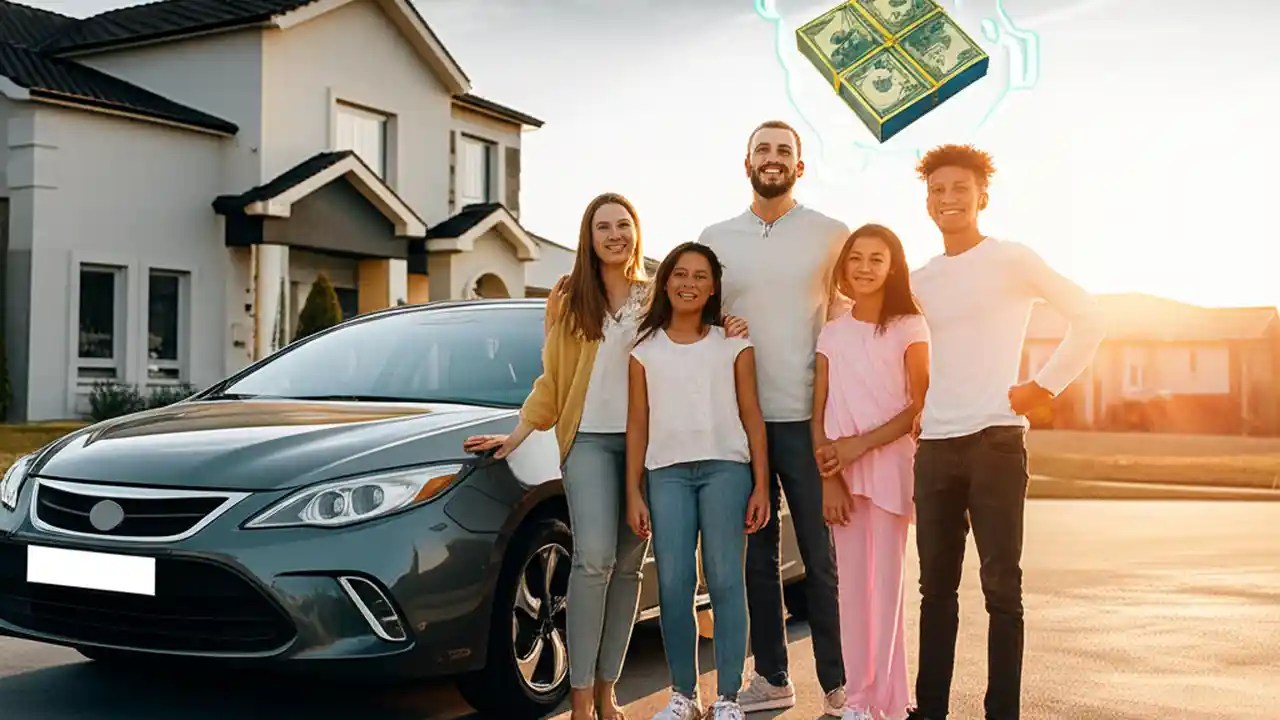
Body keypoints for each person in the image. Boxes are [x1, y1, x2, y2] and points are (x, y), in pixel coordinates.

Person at [905, 145, 1105, 720]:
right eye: (938, 190)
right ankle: (930, 709)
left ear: (981, 197)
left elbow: (1090, 315)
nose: (949, 199)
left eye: (960, 189)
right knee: (934, 592)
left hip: (996, 440)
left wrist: (1044, 386)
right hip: (936, 448)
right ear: (927, 202)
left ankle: (1003, 713)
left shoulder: (1012, 259)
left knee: (1001, 590)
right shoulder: (921, 280)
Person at [462, 192, 653, 720]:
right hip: (589, 440)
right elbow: (552, 380)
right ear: (588, 239)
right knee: (594, 561)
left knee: (629, 568)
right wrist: (515, 435)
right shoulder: (570, 301)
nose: (614, 235)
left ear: (636, 231)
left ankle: (610, 692)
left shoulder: (655, 295)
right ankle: (581, 697)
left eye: (623, 225)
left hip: (649, 446)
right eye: (602, 227)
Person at [697, 120, 849, 716]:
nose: (773, 158)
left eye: (784, 150)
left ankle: (840, 685)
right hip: (740, 422)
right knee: (756, 561)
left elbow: (848, 317)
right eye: (763, 148)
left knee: (820, 559)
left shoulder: (830, 235)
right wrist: (718, 327)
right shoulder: (715, 237)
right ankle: (773, 678)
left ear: (800, 167)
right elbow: (693, 313)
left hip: (808, 418)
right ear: (747, 162)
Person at [624, 242, 771, 720]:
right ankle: (684, 696)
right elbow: (638, 425)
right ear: (665, 282)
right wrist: (633, 491)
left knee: (727, 580)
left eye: (700, 276)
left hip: (726, 470)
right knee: (673, 585)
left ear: (713, 288)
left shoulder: (733, 343)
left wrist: (761, 485)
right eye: (680, 274)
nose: (689, 283)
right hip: (666, 474)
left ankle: (728, 698)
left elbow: (752, 415)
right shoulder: (644, 351)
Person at [812, 224, 930, 720]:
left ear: (893, 266)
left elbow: (920, 405)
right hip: (842, 476)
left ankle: (884, 700)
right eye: (856, 258)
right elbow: (817, 413)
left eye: (876, 259)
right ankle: (860, 700)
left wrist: (860, 445)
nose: (864, 267)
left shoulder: (910, 326)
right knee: (852, 595)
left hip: (890, 470)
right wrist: (829, 478)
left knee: (885, 593)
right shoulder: (832, 332)